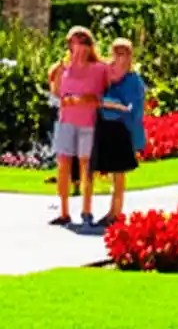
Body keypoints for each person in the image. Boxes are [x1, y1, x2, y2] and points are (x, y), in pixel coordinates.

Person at [47, 26, 110, 227]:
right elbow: (56, 94)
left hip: (88, 123)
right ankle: (64, 211)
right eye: (73, 42)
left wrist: (87, 98)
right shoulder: (63, 69)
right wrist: (57, 83)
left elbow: (106, 94)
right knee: (63, 166)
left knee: (86, 166)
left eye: (83, 42)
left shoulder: (99, 68)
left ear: (89, 45)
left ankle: (86, 210)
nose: (78, 46)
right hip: (66, 121)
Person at [89, 39, 147, 227]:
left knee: (119, 173)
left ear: (129, 56)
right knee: (111, 171)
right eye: (116, 53)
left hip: (121, 129)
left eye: (123, 53)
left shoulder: (133, 80)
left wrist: (107, 102)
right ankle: (111, 212)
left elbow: (131, 108)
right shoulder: (108, 73)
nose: (118, 57)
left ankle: (116, 212)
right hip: (107, 127)